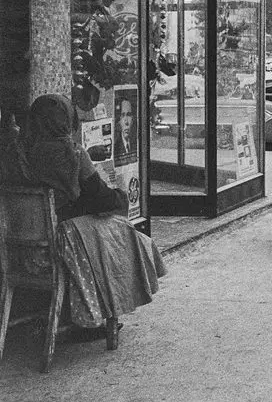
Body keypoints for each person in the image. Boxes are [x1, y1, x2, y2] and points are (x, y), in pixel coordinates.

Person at [0, 94, 165, 340]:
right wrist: (120, 196)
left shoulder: (12, 152)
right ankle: (93, 317)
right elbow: (101, 199)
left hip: (17, 254)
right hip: (56, 254)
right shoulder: (73, 154)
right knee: (119, 232)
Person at [114, 93, 136, 161]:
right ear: (118, 121)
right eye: (123, 116)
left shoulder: (137, 144)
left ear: (132, 119)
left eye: (129, 115)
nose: (126, 122)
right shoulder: (115, 147)